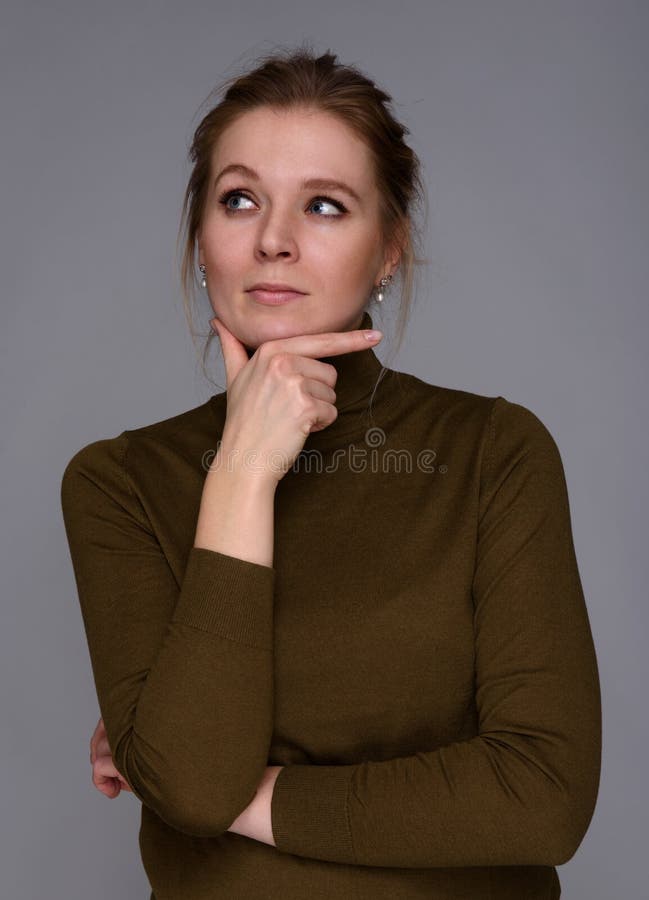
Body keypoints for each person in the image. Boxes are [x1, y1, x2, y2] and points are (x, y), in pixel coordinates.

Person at [61, 45, 602, 899]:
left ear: (387, 249)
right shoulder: (119, 482)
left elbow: (540, 800)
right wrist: (241, 470)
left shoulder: (491, 451)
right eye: (239, 199)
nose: (273, 241)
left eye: (323, 205)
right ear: (201, 236)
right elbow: (195, 781)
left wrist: (241, 789)